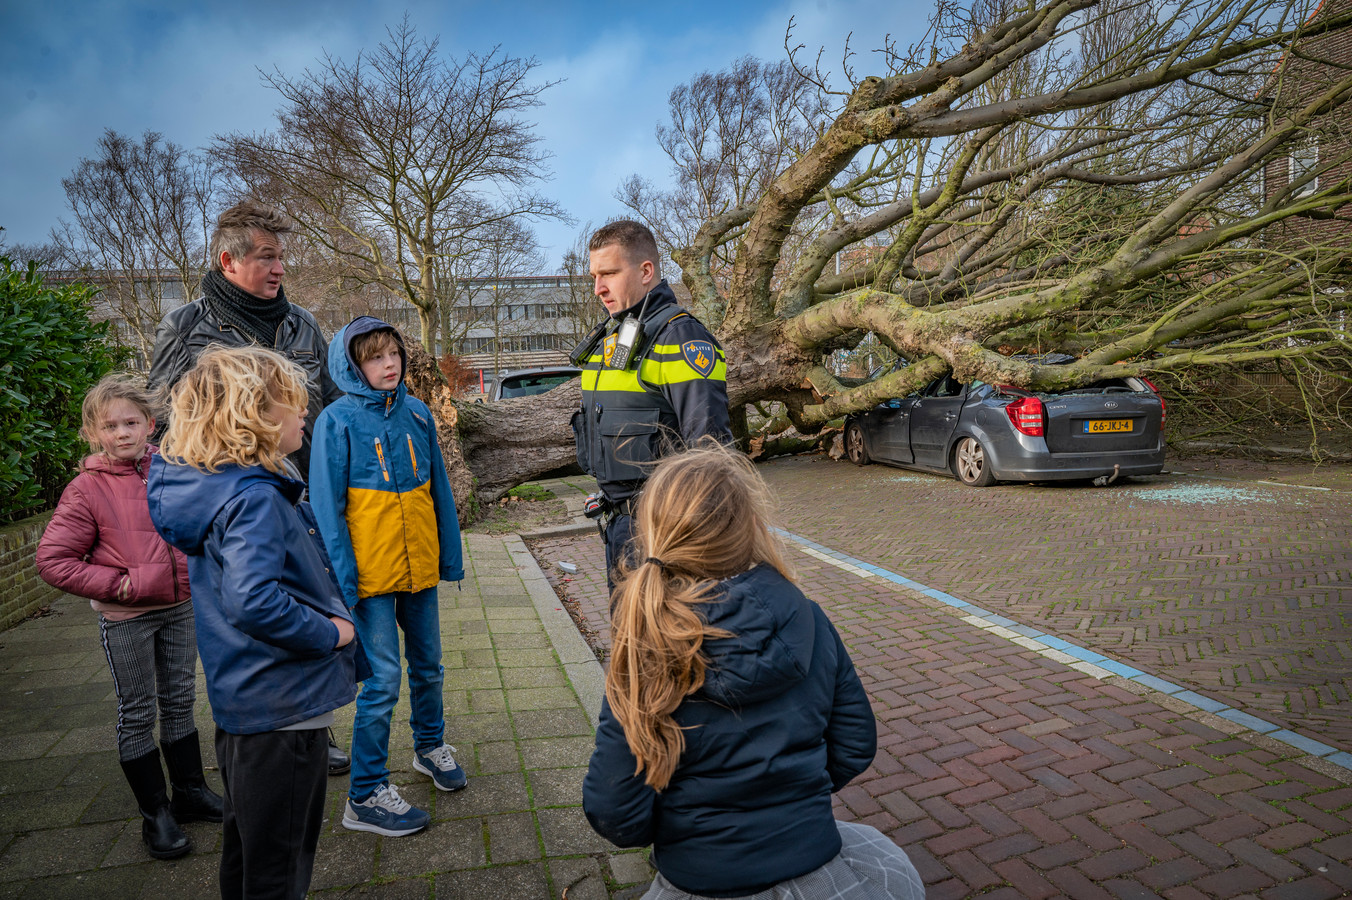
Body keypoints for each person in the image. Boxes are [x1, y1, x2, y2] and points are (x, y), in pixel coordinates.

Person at [582, 444, 925, 900]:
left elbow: (614, 809)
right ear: (749, 528)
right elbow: (855, 744)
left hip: (700, 876)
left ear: (652, 533)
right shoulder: (810, 619)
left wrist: (685, 832)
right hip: (817, 859)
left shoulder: (642, 648)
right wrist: (791, 802)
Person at [147, 347, 363, 900]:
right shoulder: (255, 497)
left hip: (245, 703)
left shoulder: (217, 487)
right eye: (294, 406)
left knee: (248, 853)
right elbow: (254, 601)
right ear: (256, 415)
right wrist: (331, 632)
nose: (304, 417)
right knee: (279, 869)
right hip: (283, 707)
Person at [147, 199, 350, 776]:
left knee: (310, 600)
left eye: (282, 256)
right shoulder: (185, 325)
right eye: (266, 257)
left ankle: (316, 723)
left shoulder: (303, 324)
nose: (279, 267)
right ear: (228, 260)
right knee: (249, 609)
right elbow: (165, 416)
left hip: (300, 492)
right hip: (232, 496)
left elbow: (331, 410)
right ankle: (251, 732)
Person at [35, 375, 222, 861]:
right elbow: (53, 561)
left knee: (181, 700)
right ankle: (155, 813)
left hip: (181, 609)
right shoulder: (85, 489)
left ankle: (191, 793)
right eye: (110, 426)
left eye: (131, 423)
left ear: (150, 424)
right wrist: (120, 585)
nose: (122, 433)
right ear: (94, 433)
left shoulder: (173, 469)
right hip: (127, 618)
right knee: (138, 710)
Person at [310, 316, 466, 837]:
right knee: (380, 683)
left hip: (419, 567)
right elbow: (327, 510)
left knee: (429, 666)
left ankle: (430, 747)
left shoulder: (418, 413)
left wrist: (450, 557)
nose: (389, 363)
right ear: (352, 365)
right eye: (375, 356)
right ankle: (365, 792)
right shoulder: (336, 421)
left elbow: (438, 490)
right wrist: (342, 580)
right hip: (369, 578)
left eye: (393, 353)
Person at [572, 220, 732, 592]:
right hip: (620, 528)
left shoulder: (680, 337)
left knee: (665, 644)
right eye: (595, 275)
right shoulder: (614, 337)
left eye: (609, 273)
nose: (598, 288)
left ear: (646, 271)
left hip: (663, 534)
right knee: (629, 643)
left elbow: (711, 453)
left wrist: (700, 547)